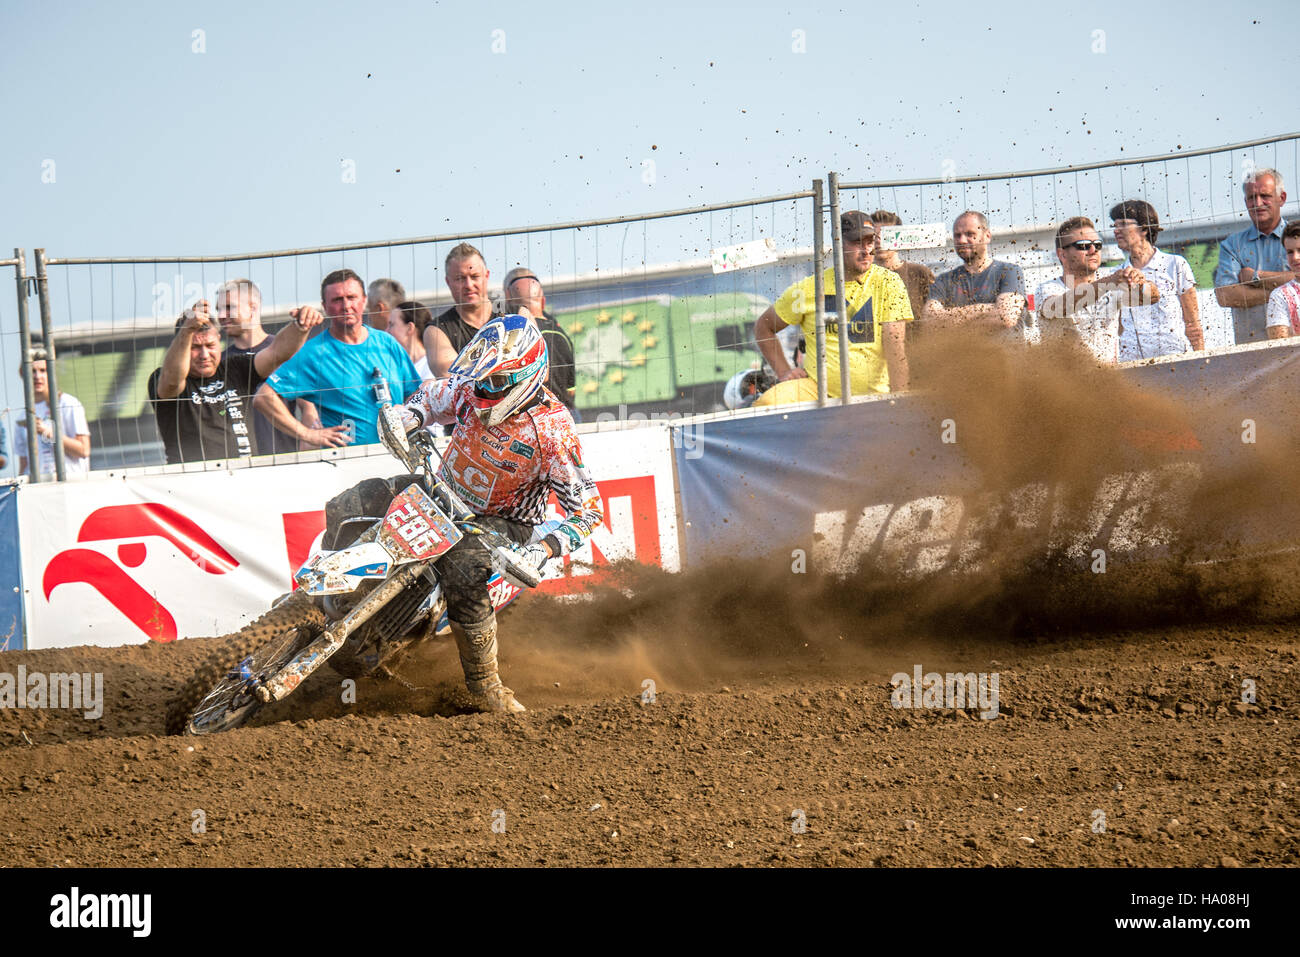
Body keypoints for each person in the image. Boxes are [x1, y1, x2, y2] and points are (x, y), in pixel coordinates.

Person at [366, 314, 602, 712]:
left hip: (504, 524)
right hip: (442, 493)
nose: (484, 389)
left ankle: (485, 684)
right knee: (364, 496)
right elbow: (432, 398)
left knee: (462, 565)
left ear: (525, 376)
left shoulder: (552, 433)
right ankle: (319, 600)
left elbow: (589, 510)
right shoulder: (474, 386)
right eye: (482, 378)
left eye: (495, 381)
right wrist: (408, 416)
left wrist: (543, 549)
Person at [752, 210, 911, 405]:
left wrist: (900, 400)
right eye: (856, 242)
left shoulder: (889, 282)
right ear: (837, 244)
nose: (865, 251)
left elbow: (895, 346)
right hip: (817, 391)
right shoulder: (809, 288)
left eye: (869, 242)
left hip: (873, 394)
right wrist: (784, 372)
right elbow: (763, 327)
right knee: (767, 402)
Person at [255, 269, 422, 449]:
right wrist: (308, 434)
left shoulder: (387, 342)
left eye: (351, 297)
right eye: (337, 300)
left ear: (364, 300)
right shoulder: (314, 353)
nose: (346, 306)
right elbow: (264, 397)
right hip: (347, 463)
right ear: (325, 306)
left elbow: (415, 393)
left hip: (398, 455)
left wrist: (407, 414)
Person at [149, 298, 322, 464]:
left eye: (209, 346)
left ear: (218, 339)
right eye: (195, 348)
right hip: (196, 483)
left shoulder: (235, 368)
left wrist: (300, 325)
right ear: (182, 345)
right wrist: (186, 331)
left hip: (244, 476)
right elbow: (171, 382)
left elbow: (278, 352)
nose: (204, 355)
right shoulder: (163, 377)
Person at [1035, 217, 1160, 364]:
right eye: (1083, 245)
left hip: (1108, 378)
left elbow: (1151, 297)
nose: (1093, 250)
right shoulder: (1048, 288)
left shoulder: (1111, 283)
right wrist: (1107, 284)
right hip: (1064, 382)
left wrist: (1141, 282)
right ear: (1062, 254)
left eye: (1097, 244)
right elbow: (1057, 308)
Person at [1109, 200, 1204, 360]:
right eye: (1114, 226)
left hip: (1174, 361)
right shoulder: (1116, 274)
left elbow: (1193, 322)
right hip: (1132, 365)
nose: (1116, 231)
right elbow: (1114, 328)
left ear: (1144, 228)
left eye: (1123, 224)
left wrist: (1201, 360)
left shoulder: (1175, 264)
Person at [215, 278, 300, 455]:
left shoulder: (285, 353)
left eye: (229, 307)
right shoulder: (218, 364)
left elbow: (310, 409)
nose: (222, 315)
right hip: (237, 468)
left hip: (286, 462)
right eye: (219, 309)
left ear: (253, 308)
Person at [923, 211, 1035, 344]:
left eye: (970, 234)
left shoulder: (1009, 272)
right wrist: (988, 309)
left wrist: (949, 318)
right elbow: (930, 322)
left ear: (987, 236)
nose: (962, 240)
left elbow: (1006, 317)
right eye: (957, 235)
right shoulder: (944, 280)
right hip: (963, 362)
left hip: (1007, 362)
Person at [1214, 168, 1294, 345]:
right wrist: (1287, 290)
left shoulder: (1297, 238)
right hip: (1252, 352)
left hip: (1295, 347)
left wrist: (1254, 277)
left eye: (1264, 195)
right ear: (1245, 201)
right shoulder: (1232, 245)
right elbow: (1225, 295)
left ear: (1282, 198)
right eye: (1251, 197)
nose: (1258, 203)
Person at [501, 266, 578, 412]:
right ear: (542, 299)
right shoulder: (561, 334)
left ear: (507, 297)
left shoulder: (513, 336)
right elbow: (571, 390)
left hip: (532, 417)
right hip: (564, 414)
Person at [425, 244, 502, 377]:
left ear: (486, 276)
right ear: (448, 282)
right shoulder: (437, 331)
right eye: (460, 278)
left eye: (475, 276)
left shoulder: (517, 314)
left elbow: (539, 367)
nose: (468, 285)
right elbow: (452, 378)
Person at [15, 349, 91, 478]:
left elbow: (84, 450)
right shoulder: (22, 417)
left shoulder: (67, 403)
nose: (37, 376)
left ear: (51, 373)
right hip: (38, 490)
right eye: (32, 371)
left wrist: (48, 433)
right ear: (23, 374)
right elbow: (24, 466)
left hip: (70, 485)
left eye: (43, 370)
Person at [869, 210, 935, 321]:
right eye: (873, 236)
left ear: (899, 237)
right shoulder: (862, 277)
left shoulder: (920, 274)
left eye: (886, 235)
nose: (878, 241)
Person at [1264, 221, 1300, 339]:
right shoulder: (1280, 295)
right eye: (1290, 252)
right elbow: (1280, 350)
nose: (1295, 257)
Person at [388, 300, 434, 380]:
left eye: (392, 325)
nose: (386, 331)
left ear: (410, 328)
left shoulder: (431, 368)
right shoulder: (393, 364)